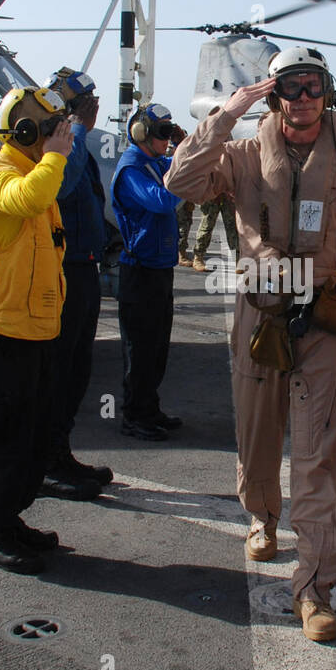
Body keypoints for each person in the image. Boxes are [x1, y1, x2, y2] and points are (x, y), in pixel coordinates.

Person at [164, 46, 336, 644]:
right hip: (259, 310)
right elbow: (181, 181)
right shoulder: (240, 155)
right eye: (290, 87)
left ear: (328, 91)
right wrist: (225, 113)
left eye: (312, 85)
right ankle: (262, 519)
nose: (302, 98)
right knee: (257, 432)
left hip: (323, 316)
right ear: (273, 95)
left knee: (321, 454)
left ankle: (316, 589)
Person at [0, 84, 90, 578]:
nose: (64, 139)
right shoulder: (0, 175)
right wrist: (56, 155)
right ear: (26, 131)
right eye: (54, 131)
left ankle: (10, 519)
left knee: (30, 436)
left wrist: (53, 155)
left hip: (34, 332)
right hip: (2, 337)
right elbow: (32, 196)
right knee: (4, 439)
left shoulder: (36, 170)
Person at [42, 69, 114, 497]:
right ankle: (47, 461)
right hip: (64, 269)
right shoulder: (58, 146)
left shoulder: (74, 142)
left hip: (83, 265)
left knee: (75, 370)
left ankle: (59, 452)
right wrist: (80, 129)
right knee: (58, 369)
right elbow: (64, 186)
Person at [110, 103, 184, 441]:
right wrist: (184, 170)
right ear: (142, 134)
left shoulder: (154, 163)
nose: (167, 140)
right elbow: (162, 200)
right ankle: (134, 416)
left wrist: (187, 150)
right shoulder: (132, 170)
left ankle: (149, 408)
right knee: (140, 350)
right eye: (163, 133)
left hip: (159, 268)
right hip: (140, 272)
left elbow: (179, 166)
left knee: (156, 348)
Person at [190, 192, 238, 271]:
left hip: (228, 194)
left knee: (232, 228)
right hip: (210, 194)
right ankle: (198, 257)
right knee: (207, 226)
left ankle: (237, 259)